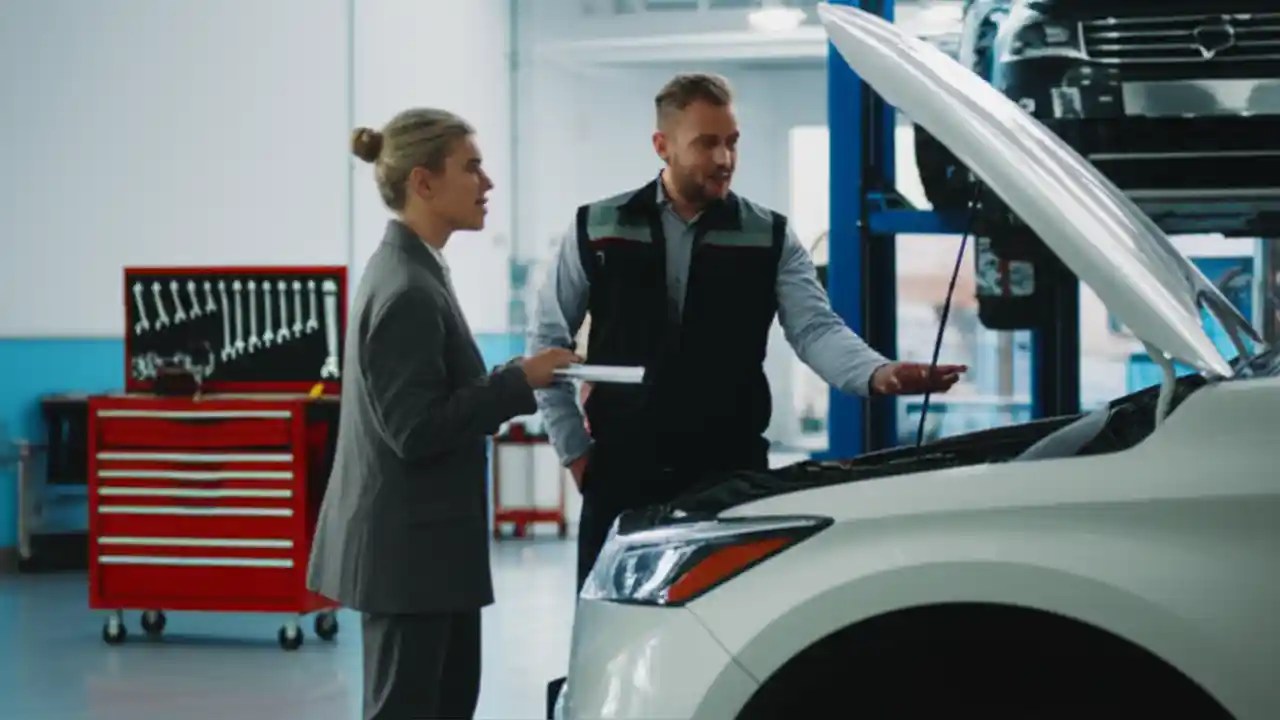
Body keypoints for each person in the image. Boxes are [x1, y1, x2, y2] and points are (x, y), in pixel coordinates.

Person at [527, 73, 967, 592]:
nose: (724, 160)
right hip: (623, 471)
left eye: (732, 142)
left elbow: (816, 329)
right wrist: (576, 452)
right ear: (662, 146)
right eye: (706, 143)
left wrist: (878, 372)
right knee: (611, 623)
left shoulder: (770, 236)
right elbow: (547, 347)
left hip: (731, 473)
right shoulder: (597, 227)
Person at [306, 108, 579, 720]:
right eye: (472, 167)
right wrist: (522, 380)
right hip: (410, 563)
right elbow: (416, 430)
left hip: (431, 558)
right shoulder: (405, 288)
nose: (486, 184)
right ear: (423, 182)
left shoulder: (419, 271)